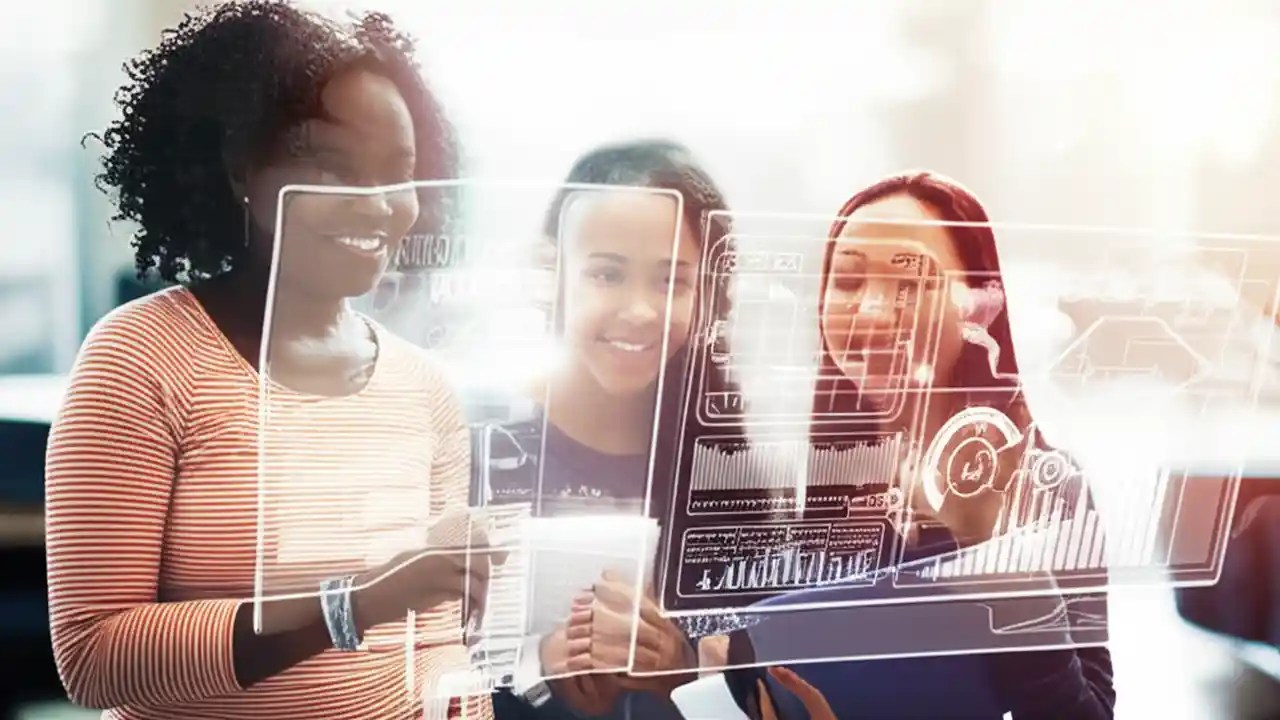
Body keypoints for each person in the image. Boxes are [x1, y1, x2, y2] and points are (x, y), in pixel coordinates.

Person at [46, 3, 500, 719]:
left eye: (399, 174)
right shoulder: (141, 358)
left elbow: (437, 644)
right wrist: (355, 604)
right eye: (334, 169)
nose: (378, 206)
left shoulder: (425, 387)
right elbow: (95, 655)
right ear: (242, 171)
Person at [722, 171, 1117, 719]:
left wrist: (996, 556)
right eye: (849, 281)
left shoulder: (1045, 485)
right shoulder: (793, 480)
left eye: (911, 281)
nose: (872, 310)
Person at [480, 140, 741, 719]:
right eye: (607, 274)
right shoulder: (481, 446)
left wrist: (684, 670)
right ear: (554, 276)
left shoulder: (728, 469)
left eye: (672, 281)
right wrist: (535, 668)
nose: (641, 311)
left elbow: (764, 692)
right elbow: (409, 666)